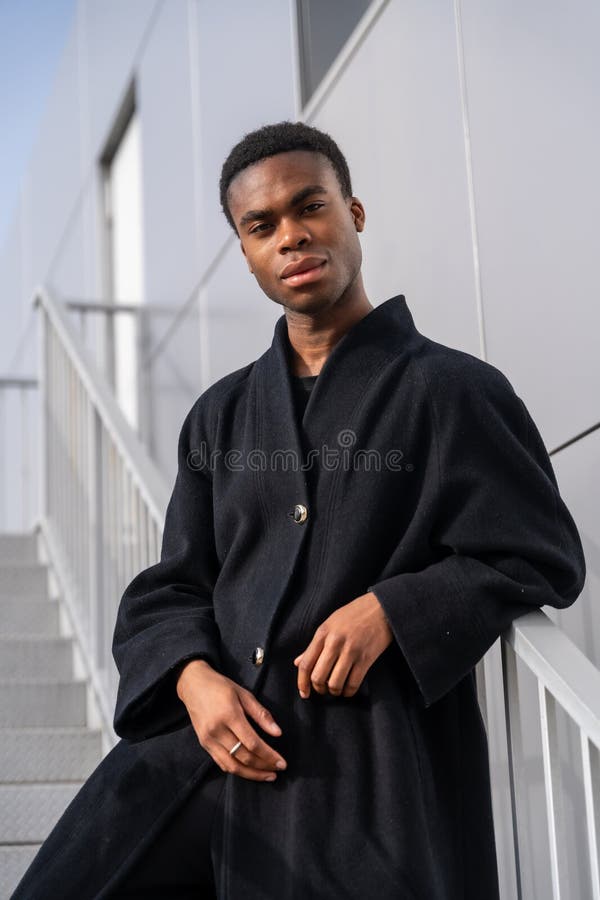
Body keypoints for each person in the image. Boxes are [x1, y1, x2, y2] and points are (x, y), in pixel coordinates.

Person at [12, 121, 586, 900]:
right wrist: (191, 680)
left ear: (354, 212)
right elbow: (174, 584)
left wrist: (392, 609)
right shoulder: (220, 417)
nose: (291, 236)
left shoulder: (453, 391)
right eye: (262, 226)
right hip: (197, 753)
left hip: (355, 774)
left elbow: (539, 551)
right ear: (245, 251)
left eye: (310, 206)